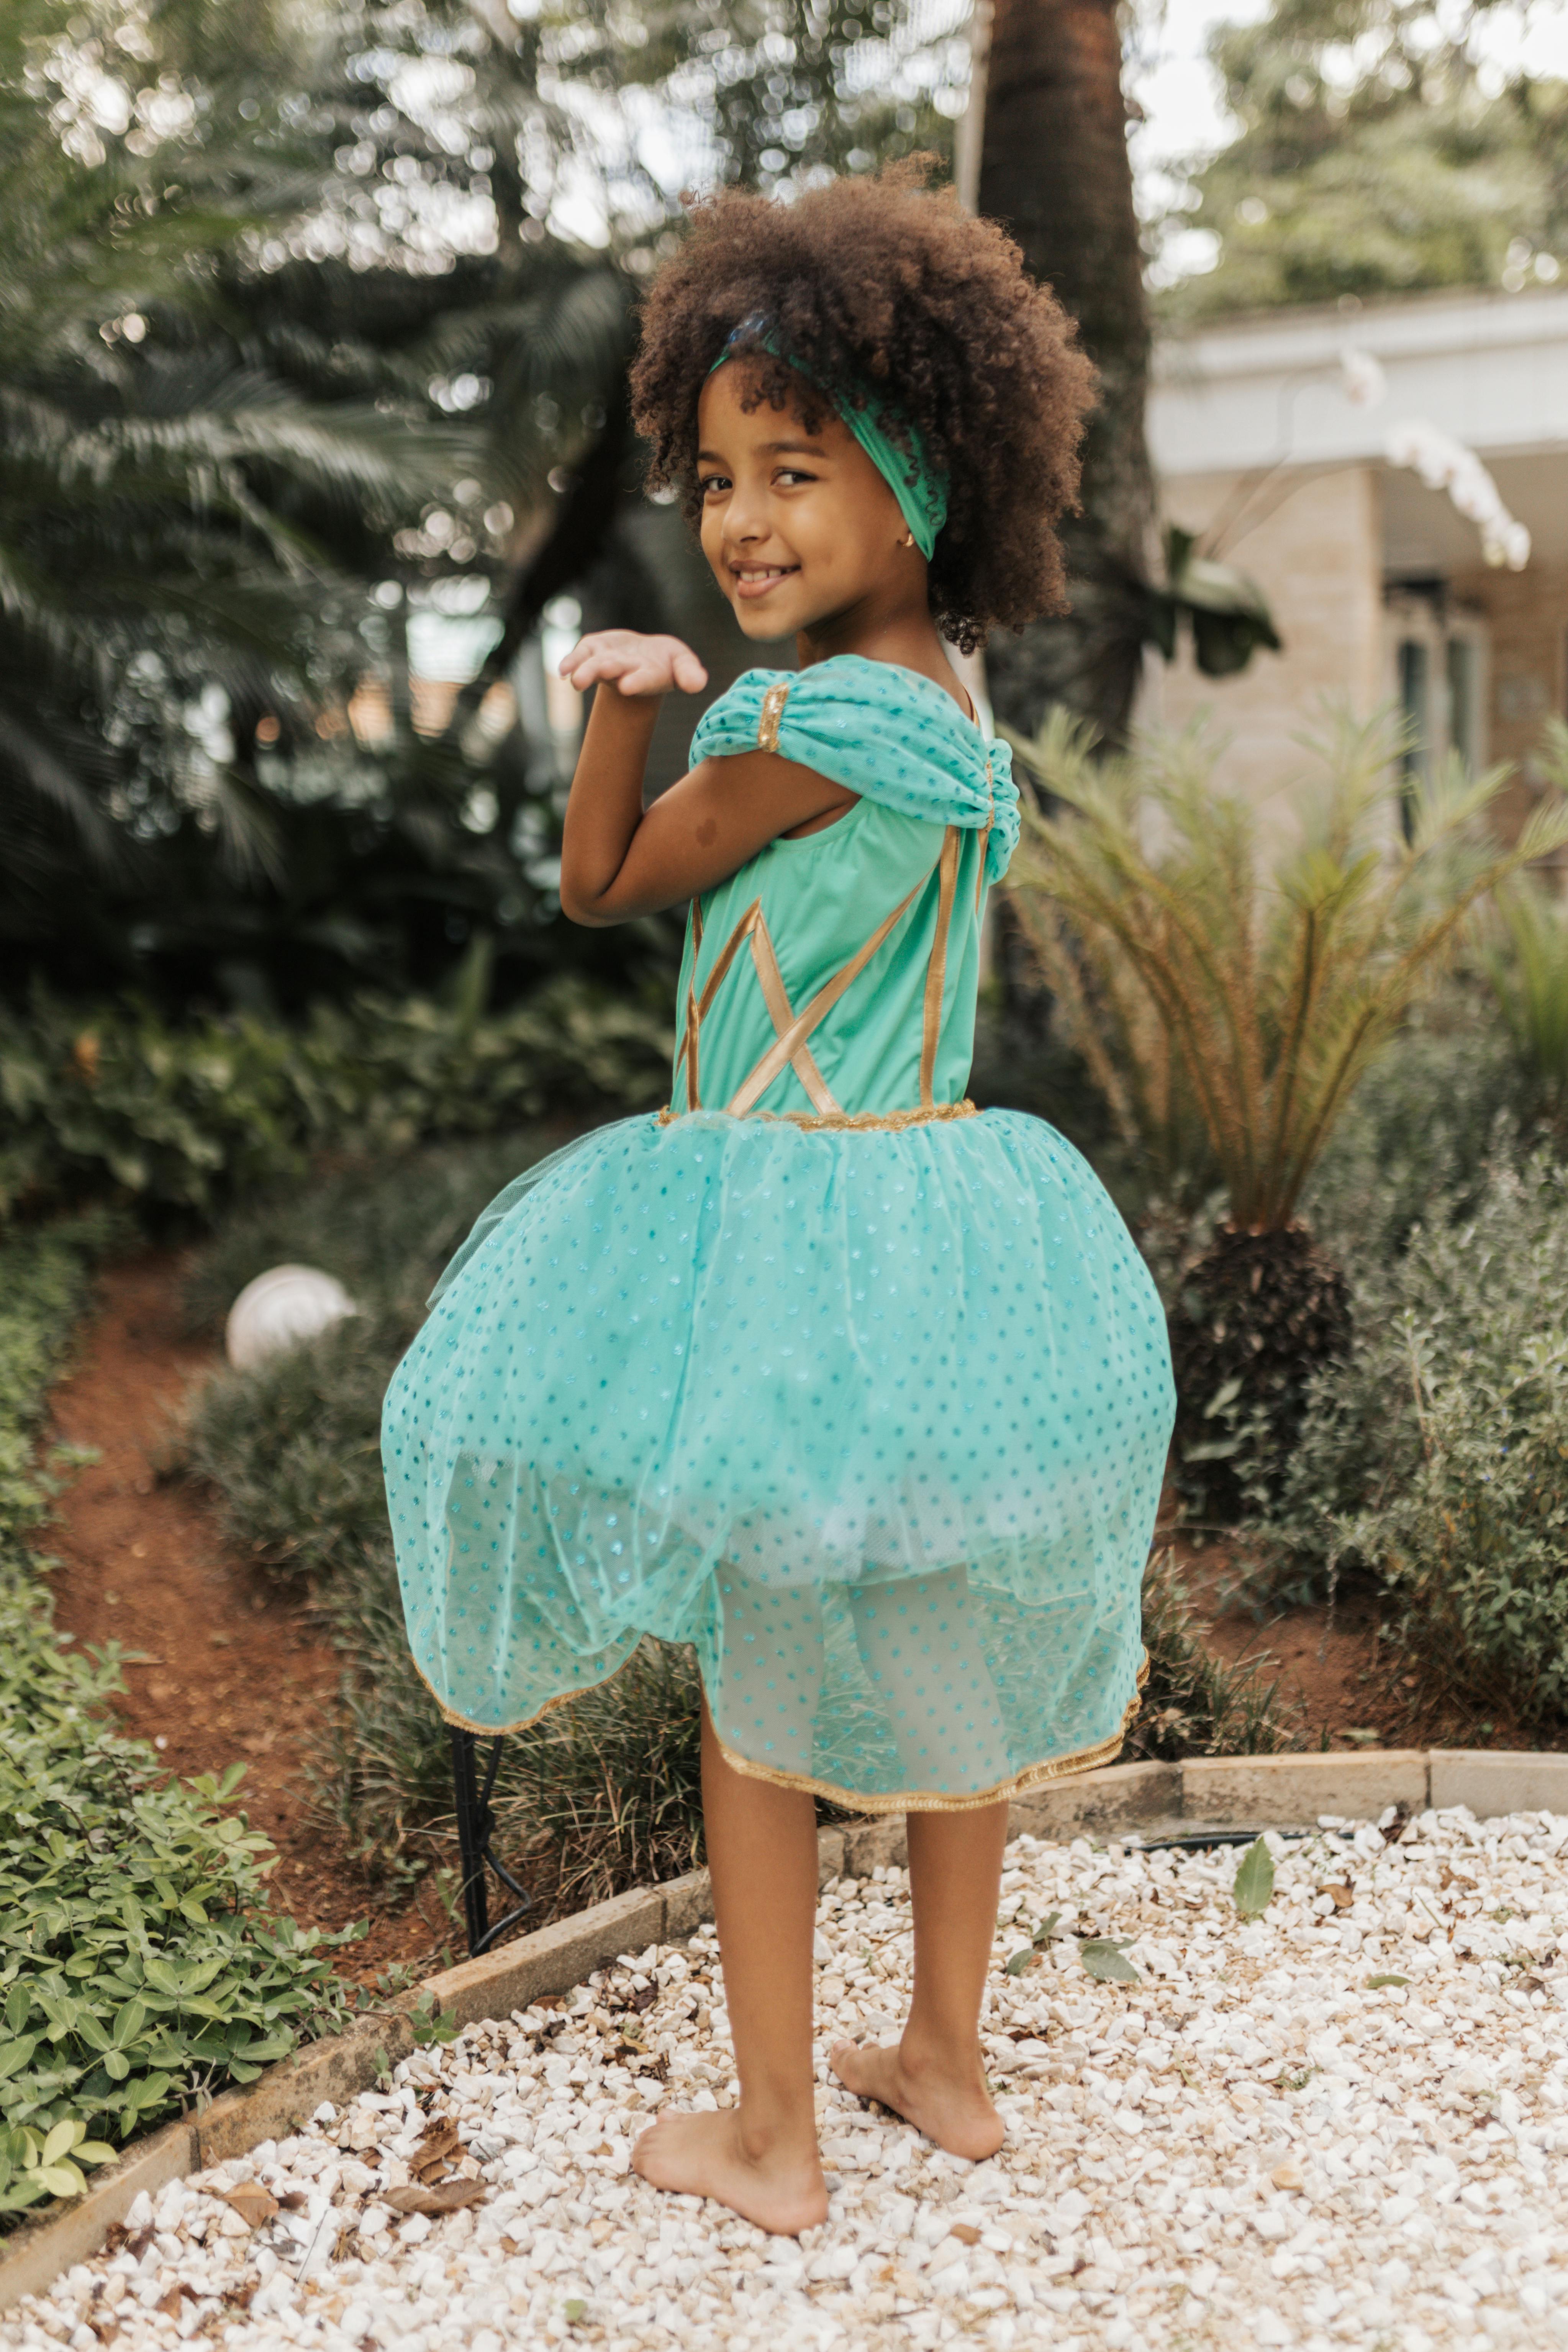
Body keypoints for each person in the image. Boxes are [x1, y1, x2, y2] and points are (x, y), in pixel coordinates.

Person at [381, 162, 1175, 2239]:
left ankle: (772, 2131)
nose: (740, 519)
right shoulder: (953, 712)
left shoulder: (810, 724)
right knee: (933, 1650)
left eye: (794, 473)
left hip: (786, 1249)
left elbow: (605, 881)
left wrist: (626, 708)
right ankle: (947, 2061)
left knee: (760, 1686)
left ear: (918, 488)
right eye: (721, 477)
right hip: (936, 1226)